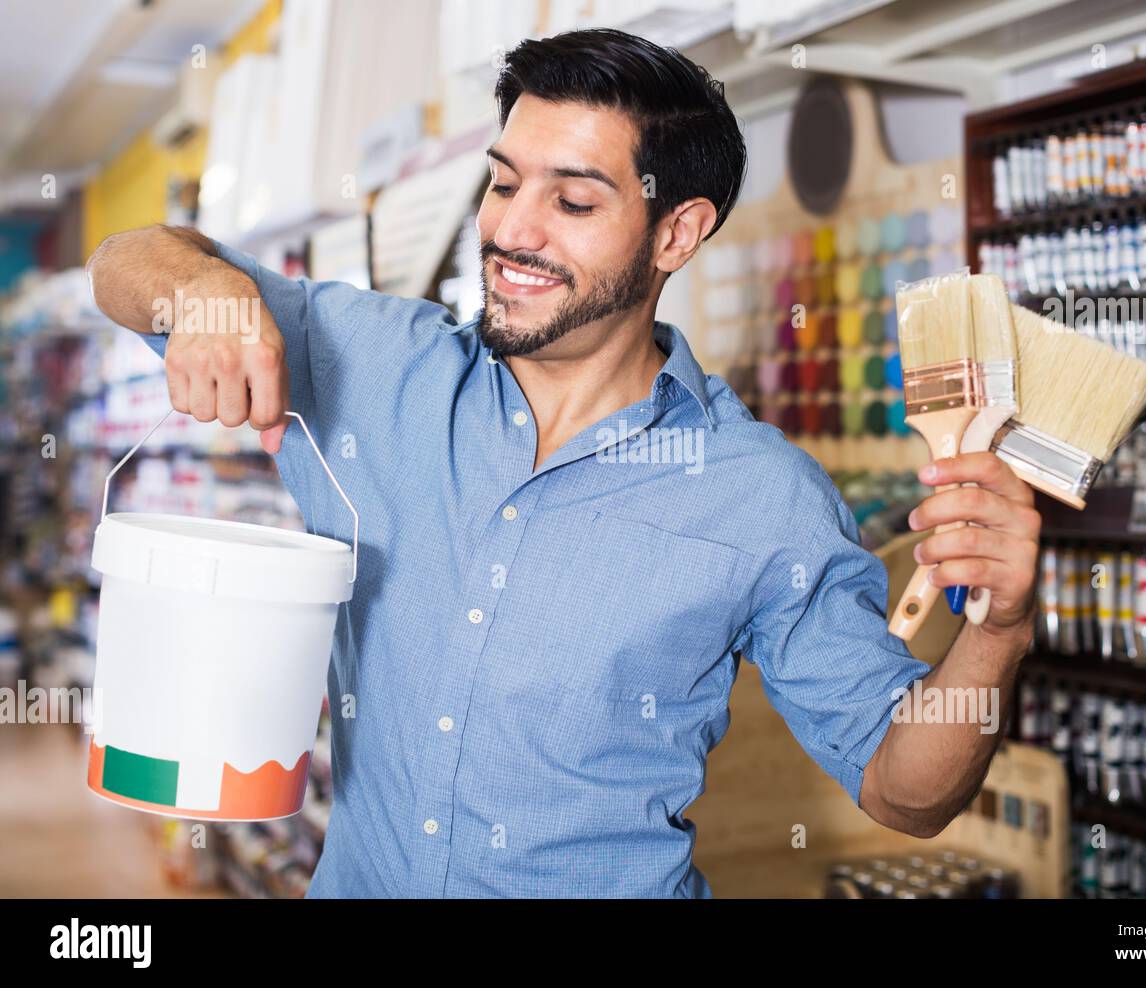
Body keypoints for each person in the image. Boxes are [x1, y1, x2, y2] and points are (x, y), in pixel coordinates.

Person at [85, 28, 1039, 898]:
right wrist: (208, 291)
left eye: (573, 199)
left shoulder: (760, 498)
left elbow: (905, 791)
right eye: (504, 184)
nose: (513, 232)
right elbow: (127, 261)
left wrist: (997, 632)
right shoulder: (374, 367)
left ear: (678, 232)